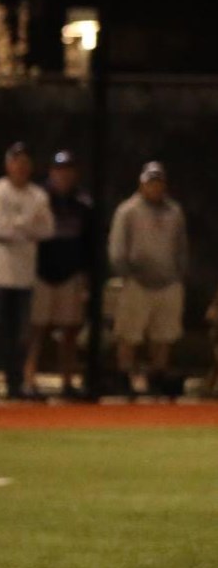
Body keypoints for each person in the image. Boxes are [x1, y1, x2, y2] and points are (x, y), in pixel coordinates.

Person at [0, 142, 54, 400]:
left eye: (25, 162)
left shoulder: (38, 196)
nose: (20, 167)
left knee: (20, 334)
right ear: (8, 165)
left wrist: (16, 227)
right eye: (16, 161)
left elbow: (47, 230)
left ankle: (14, 383)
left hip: (23, 276)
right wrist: (27, 226)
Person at [108, 162, 190, 396]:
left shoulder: (174, 211)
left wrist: (179, 273)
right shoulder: (127, 210)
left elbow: (182, 246)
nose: (155, 187)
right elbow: (117, 248)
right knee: (129, 334)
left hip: (168, 282)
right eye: (150, 182)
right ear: (142, 184)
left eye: (158, 182)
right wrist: (126, 273)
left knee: (164, 335)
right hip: (137, 282)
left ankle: (158, 378)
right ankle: (125, 378)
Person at [27, 150, 97, 400]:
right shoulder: (38, 198)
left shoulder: (83, 202)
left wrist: (86, 275)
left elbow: (89, 242)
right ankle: (28, 380)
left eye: (68, 170)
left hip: (70, 274)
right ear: (51, 172)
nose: (63, 175)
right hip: (41, 273)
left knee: (70, 331)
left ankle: (68, 381)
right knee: (36, 330)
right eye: (59, 170)